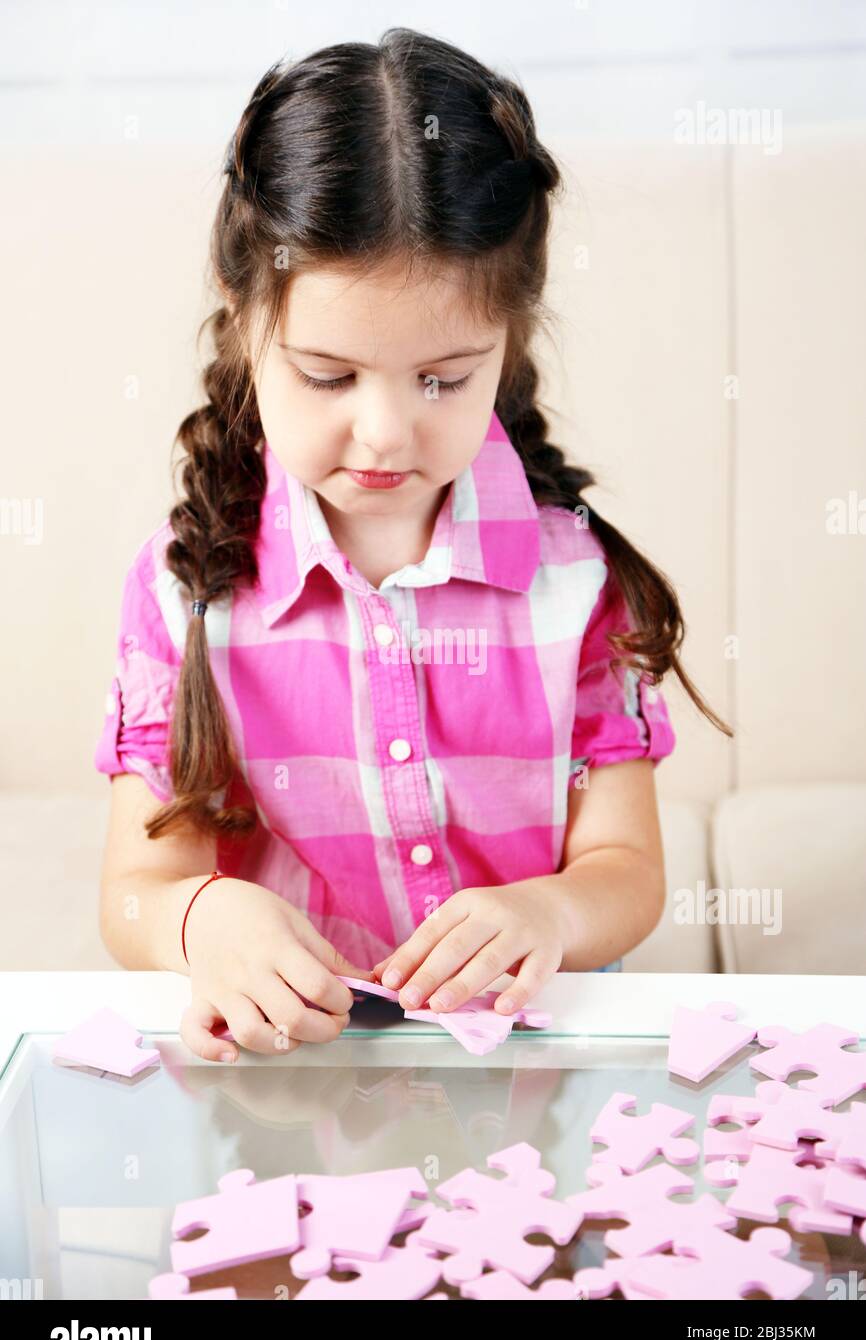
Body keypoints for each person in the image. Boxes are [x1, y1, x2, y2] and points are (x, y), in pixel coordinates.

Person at [95, 29, 731, 1062]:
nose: (387, 431)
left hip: (524, 1072)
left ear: (509, 345)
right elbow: (133, 891)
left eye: (441, 377)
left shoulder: (571, 584)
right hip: (293, 1068)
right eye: (328, 375)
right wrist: (202, 920)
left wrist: (549, 916)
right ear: (243, 318)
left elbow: (623, 867)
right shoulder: (186, 594)